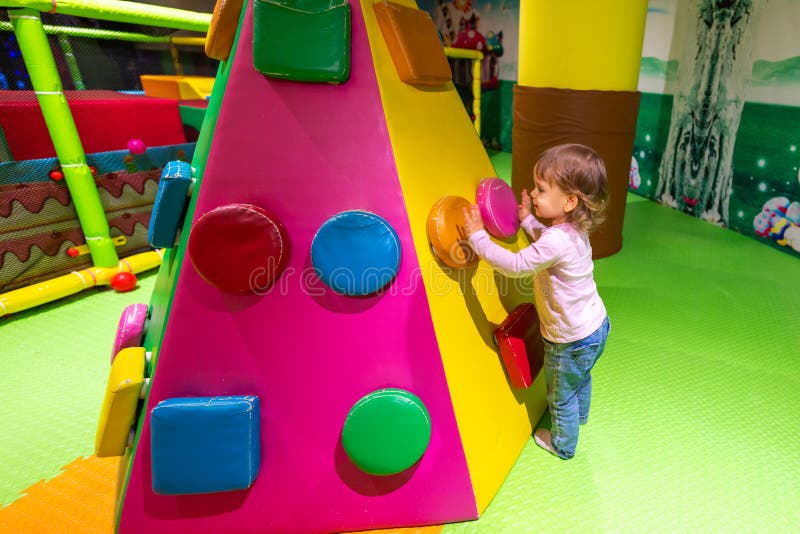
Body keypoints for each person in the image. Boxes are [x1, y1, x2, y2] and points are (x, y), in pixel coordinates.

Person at [463, 143, 611, 460]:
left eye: (542, 190)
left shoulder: (558, 239)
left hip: (570, 339)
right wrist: (529, 220)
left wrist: (478, 238)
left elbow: (517, 266)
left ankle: (563, 443)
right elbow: (548, 242)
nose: (534, 194)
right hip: (596, 327)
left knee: (560, 395)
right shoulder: (572, 229)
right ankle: (579, 418)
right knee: (580, 378)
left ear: (570, 201)